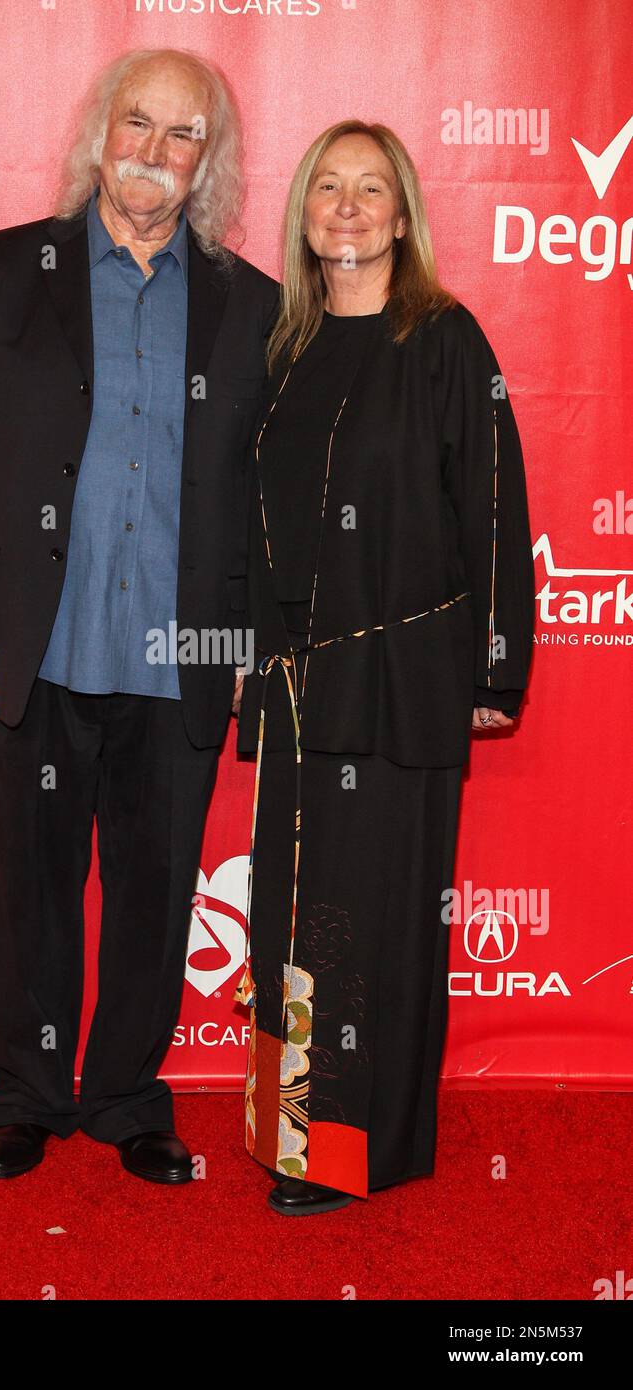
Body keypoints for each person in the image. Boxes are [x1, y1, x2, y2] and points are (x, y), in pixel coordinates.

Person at [0, 48, 278, 1185]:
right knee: (28, 881)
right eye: (139, 123)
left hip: (183, 654)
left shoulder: (253, 305)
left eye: (183, 135)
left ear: (206, 161)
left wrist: (252, 654)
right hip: (35, 642)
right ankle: (24, 1095)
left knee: (155, 887)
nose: (155, 153)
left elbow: (265, 502)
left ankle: (126, 1095)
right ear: (98, 131)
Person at [234, 120, 535, 1215]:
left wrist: (494, 668)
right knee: (294, 919)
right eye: (327, 187)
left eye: (370, 190)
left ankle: (362, 1150)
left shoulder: (446, 340)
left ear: (401, 215)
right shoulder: (284, 348)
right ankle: (294, 1135)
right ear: (303, 213)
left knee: (375, 919)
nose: (347, 206)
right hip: (293, 684)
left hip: (400, 674)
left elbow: (494, 505)